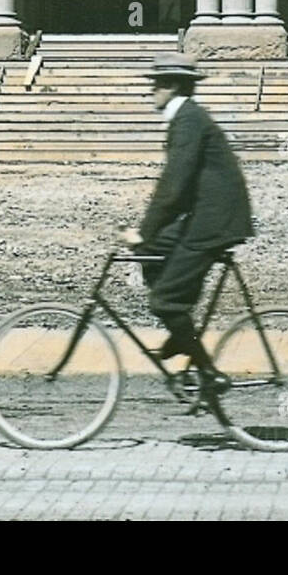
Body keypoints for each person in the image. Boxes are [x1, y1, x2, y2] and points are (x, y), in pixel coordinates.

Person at [120, 52, 255, 393]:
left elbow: (174, 184)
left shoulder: (189, 120)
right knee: (151, 254)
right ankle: (182, 333)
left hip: (214, 221)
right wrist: (149, 238)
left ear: (174, 87)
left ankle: (209, 374)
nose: (152, 92)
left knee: (162, 301)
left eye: (157, 86)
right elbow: (178, 186)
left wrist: (144, 231)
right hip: (206, 214)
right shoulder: (186, 117)